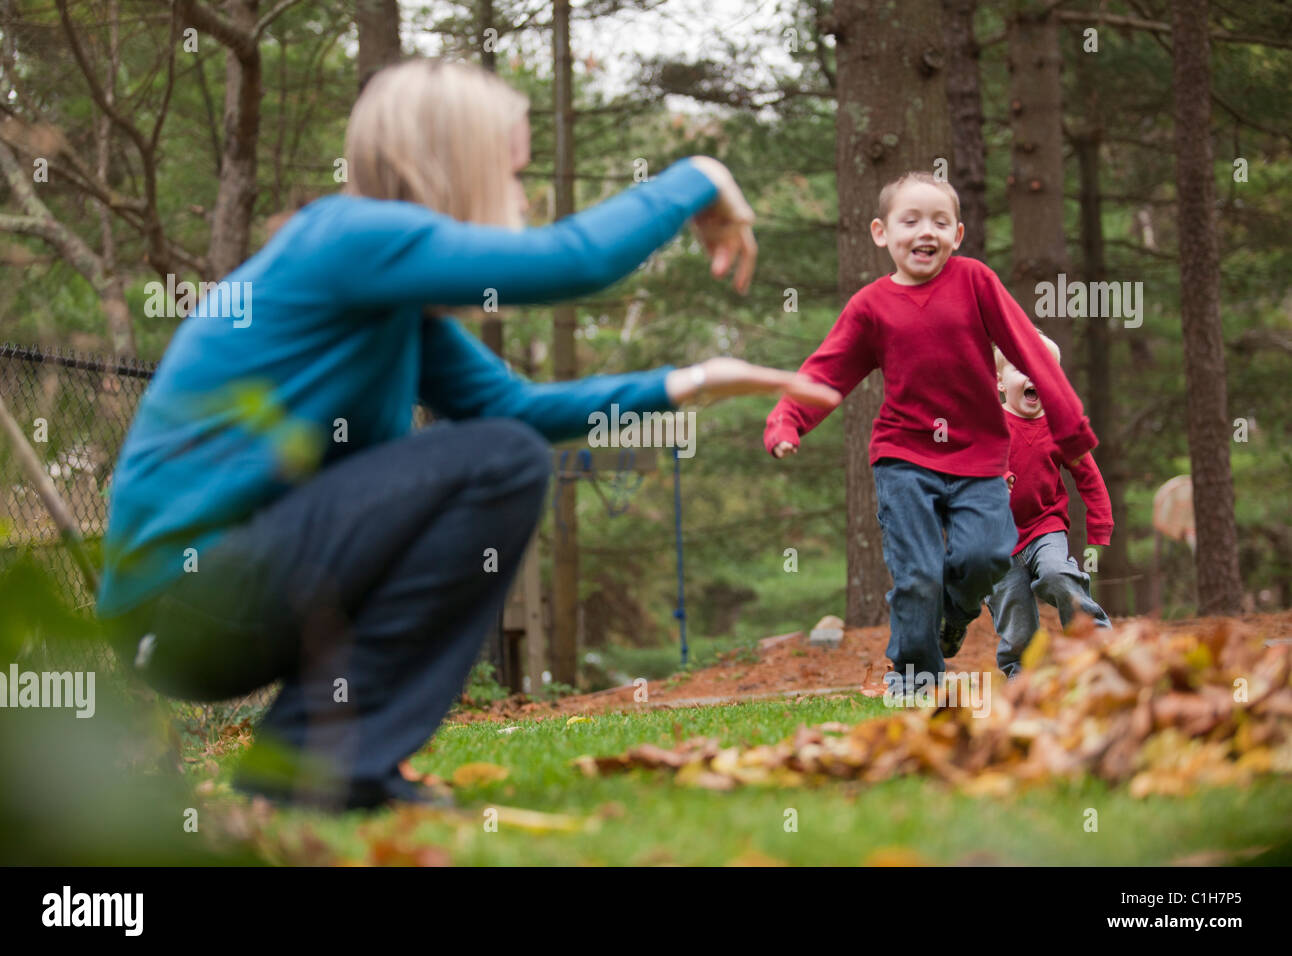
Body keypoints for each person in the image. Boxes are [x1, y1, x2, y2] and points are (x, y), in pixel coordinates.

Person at [98, 58, 838, 811]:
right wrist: (701, 174)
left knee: (503, 452)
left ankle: (315, 768)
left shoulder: (389, 295)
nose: (517, 195)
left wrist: (694, 380)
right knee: (500, 465)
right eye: (511, 170)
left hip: (220, 601)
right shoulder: (349, 235)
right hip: (181, 599)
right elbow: (574, 261)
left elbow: (513, 410)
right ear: (454, 160)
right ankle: (328, 767)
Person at [762, 171, 1096, 697]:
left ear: (957, 235)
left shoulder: (976, 282)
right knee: (916, 574)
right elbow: (827, 371)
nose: (927, 231)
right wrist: (787, 419)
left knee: (987, 555)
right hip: (904, 459)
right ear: (881, 232)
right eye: (910, 220)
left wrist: (1070, 424)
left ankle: (951, 616)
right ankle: (916, 679)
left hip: (980, 457)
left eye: (940, 222)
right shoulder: (871, 306)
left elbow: (1029, 350)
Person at [986, 337, 1113, 678]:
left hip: (1045, 526)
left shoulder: (1061, 427)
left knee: (1058, 573)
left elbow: (1088, 476)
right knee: (1015, 619)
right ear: (999, 382)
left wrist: (1100, 524)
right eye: (1020, 368)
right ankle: (1022, 679)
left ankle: (1097, 646)